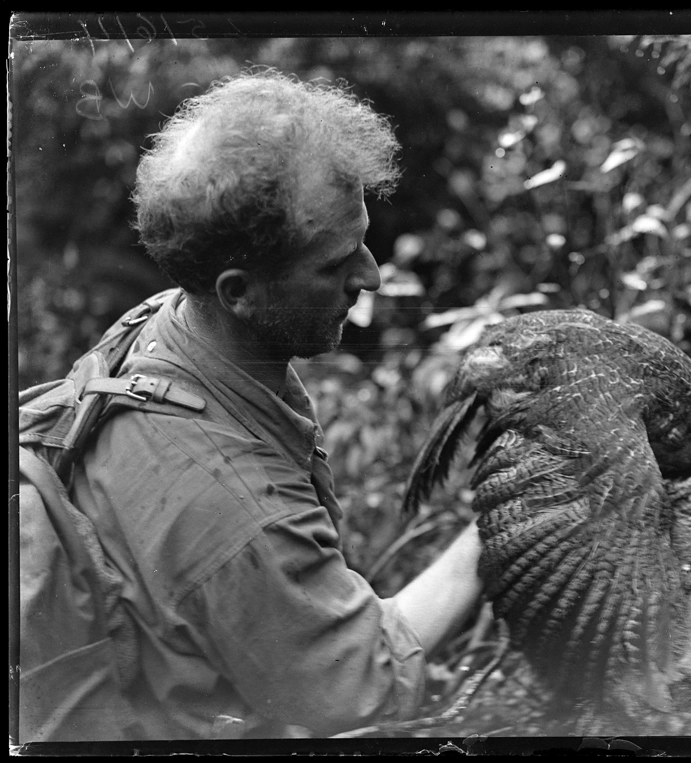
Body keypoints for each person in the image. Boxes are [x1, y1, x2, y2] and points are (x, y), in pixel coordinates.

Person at [63, 70, 483, 739]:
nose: (370, 276)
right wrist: (496, 525)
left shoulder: (162, 323)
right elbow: (363, 685)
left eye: (364, 239)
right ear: (238, 292)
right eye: (333, 263)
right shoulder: (231, 512)